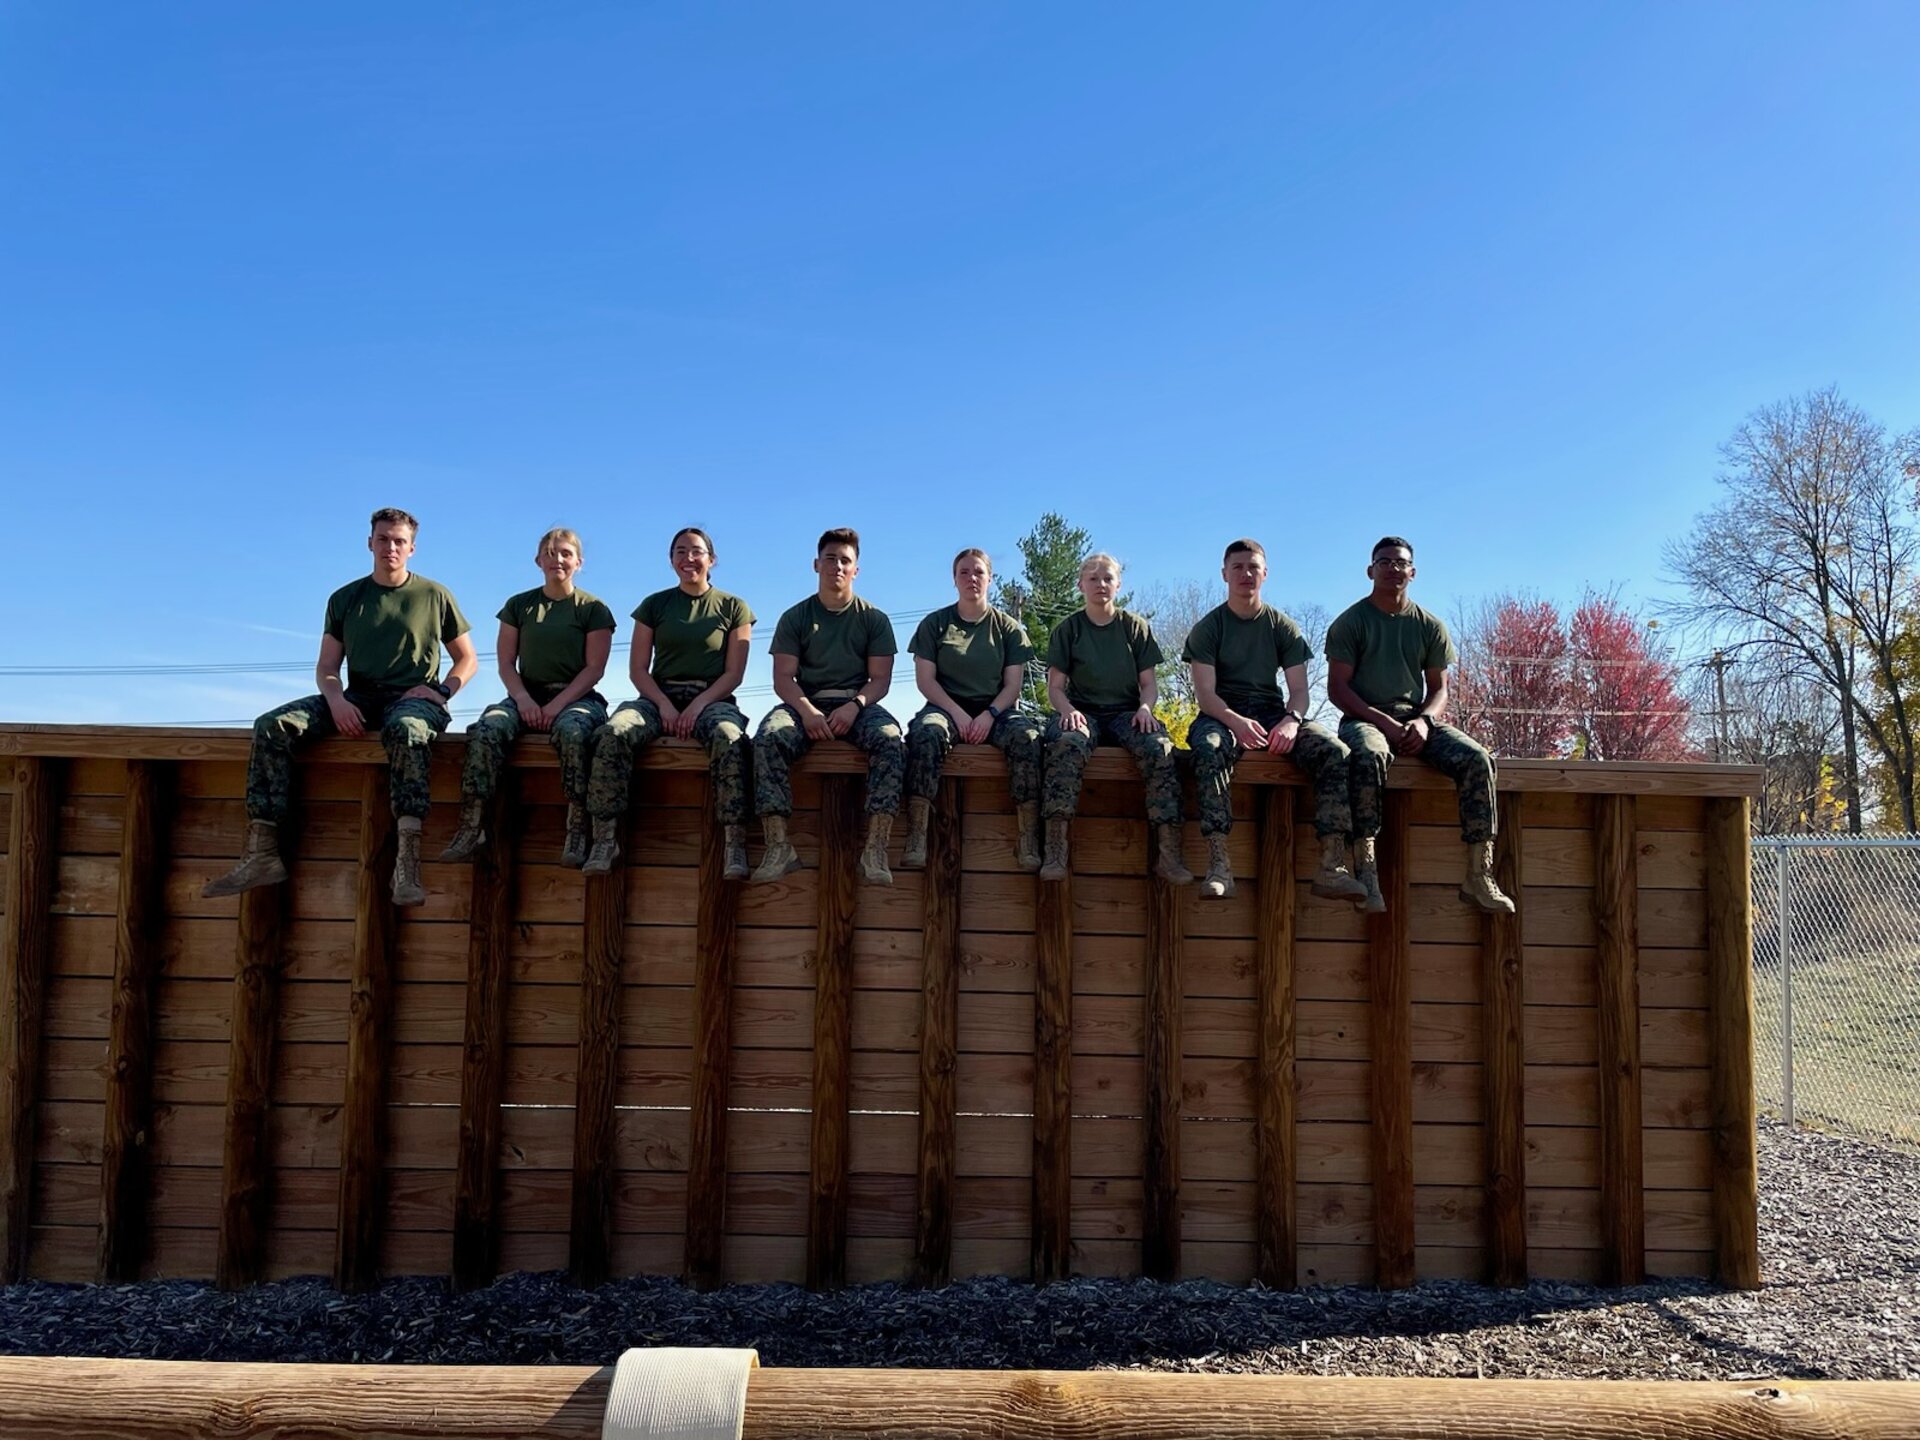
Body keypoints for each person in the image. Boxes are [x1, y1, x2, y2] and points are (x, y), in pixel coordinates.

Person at [204, 507, 477, 907]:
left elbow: (467, 659)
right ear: (370, 543)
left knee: (406, 731)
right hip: (359, 696)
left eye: (399, 541)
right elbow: (327, 667)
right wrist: (336, 701)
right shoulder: (346, 599)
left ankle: (407, 863)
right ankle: (262, 852)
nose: (390, 548)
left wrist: (443, 691)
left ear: (412, 548)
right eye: (383, 539)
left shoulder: (435, 595)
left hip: (414, 699)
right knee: (271, 725)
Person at [1325, 535, 1515, 915]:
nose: (1392, 568)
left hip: (1416, 718)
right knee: (1368, 754)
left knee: (1478, 759)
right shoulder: (1351, 622)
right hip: (1365, 718)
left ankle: (1479, 874)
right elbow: (1337, 689)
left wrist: (1424, 722)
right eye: (1384, 562)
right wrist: (1383, 722)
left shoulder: (1430, 626)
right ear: (1370, 571)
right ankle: (1366, 871)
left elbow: (1440, 688)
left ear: (1412, 572)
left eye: (1400, 563)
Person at [1184, 538, 1369, 903]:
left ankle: (1332, 866)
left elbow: (1299, 691)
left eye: (1253, 567)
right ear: (1224, 574)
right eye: (1238, 567)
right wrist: (1236, 722)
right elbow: (1205, 695)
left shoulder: (1282, 626)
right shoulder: (1209, 628)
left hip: (1272, 711)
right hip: (1221, 712)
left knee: (1334, 751)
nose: (1246, 574)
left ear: (1265, 574)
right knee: (1208, 747)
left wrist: (1291, 720)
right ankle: (1219, 865)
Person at [581, 526, 755, 877]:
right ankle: (604, 838)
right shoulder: (654, 605)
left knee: (729, 737)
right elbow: (637, 669)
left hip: (712, 698)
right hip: (658, 695)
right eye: (680, 552)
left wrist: (698, 705)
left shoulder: (733, 607)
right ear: (671, 560)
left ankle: (734, 843)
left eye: (696, 551)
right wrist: (662, 704)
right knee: (613, 732)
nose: (688, 558)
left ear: (711, 559)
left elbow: (734, 674)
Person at [441, 527, 614, 867]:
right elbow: (506, 663)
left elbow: (594, 669)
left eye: (565, 553)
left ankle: (578, 828)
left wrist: (558, 705)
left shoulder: (593, 609)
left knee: (574, 733)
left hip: (576, 698)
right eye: (550, 553)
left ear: (579, 562)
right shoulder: (519, 606)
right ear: (538, 561)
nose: (557, 559)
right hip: (525, 695)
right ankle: (473, 824)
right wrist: (522, 699)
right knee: (487, 728)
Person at [752, 527, 904, 886]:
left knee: (890, 739)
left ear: (856, 570)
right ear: (816, 564)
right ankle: (778, 845)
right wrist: (807, 712)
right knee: (769, 737)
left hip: (856, 703)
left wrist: (855, 706)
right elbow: (783, 678)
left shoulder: (874, 619)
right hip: (805, 702)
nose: (837, 566)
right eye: (830, 558)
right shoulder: (795, 617)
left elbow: (880, 680)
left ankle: (876, 848)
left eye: (845, 560)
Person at [1040, 553, 1192, 885]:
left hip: (1127, 712)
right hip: (1082, 711)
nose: (1101, 584)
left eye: (1108, 578)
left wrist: (1145, 709)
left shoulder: (1134, 627)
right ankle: (1055, 851)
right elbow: (1055, 688)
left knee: (1159, 747)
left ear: (1118, 584)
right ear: (1081, 585)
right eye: (1093, 578)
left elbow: (1149, 684)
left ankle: (1169, 854)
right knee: (1066, 744)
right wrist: (1068, 711)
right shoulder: (1068, 629)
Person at [901, 548, 1045, 871]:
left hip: (996, 709)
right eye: (963, 572)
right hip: (945, 705)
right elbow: (926, 681)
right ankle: (916, 834)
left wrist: (989, 715)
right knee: (926, 734)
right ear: (954, 579)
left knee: (1028, 738)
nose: (972, 578)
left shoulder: (1008, 628)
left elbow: (1012, 686)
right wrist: (957, 713)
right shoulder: (935, 624)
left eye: (979, 572)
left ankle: (1028, 837)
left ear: (990, 578)